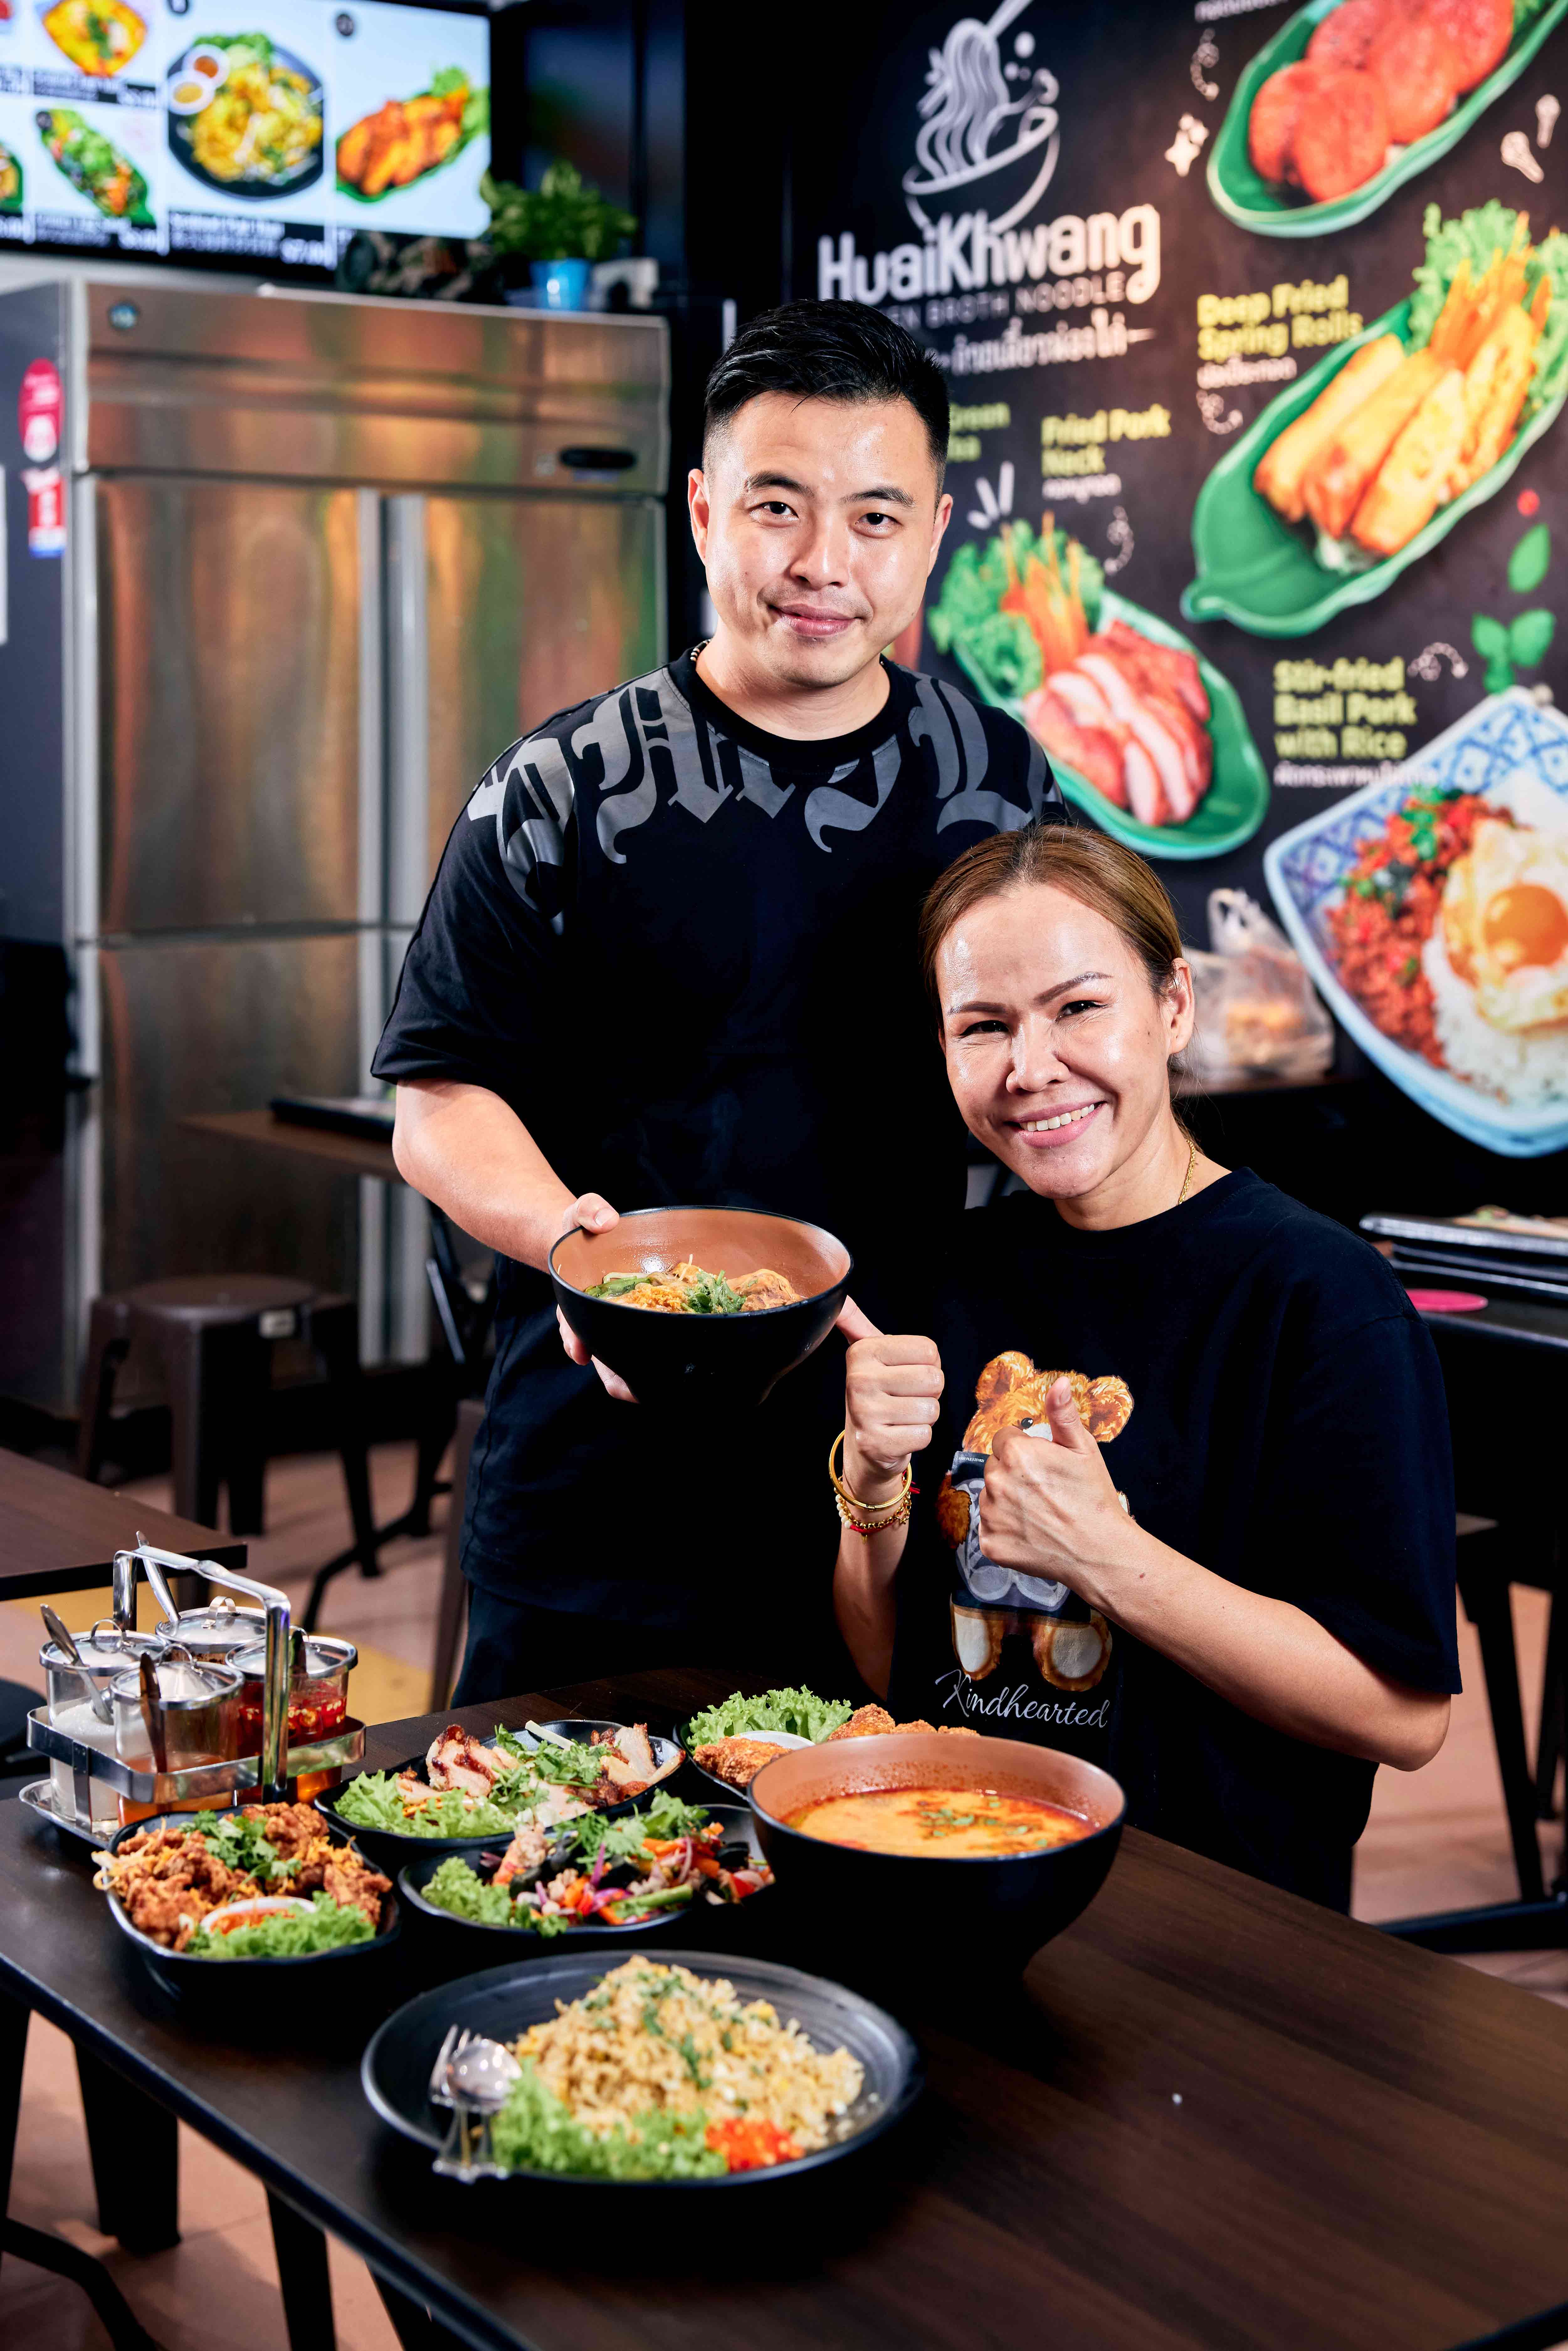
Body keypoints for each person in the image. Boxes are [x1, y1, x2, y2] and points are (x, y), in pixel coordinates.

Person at [373, 299, 1061, 1700]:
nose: (823, 563)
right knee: (539, 1833)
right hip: (594, 1490)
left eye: (876, 517)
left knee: (878, 1837)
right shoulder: (564, 788)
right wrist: (583, 1249)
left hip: (889, 1481)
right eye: (777, 506)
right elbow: (439, 1106)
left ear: (934, 535)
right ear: (702, 512)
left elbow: (1060, 1061)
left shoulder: (1000, 789)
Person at [832, 824, 1458, 1908]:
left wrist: (1109, 1556)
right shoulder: (939, 1279)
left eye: (1078, 1007)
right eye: (984, 1026)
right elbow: (888, 1665)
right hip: (951, 1862)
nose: (1030, 1068)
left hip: (1206, 1917)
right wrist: (872, 1485)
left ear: (1173, 1006)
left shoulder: (1319, 1296)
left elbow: (1402, 1716)